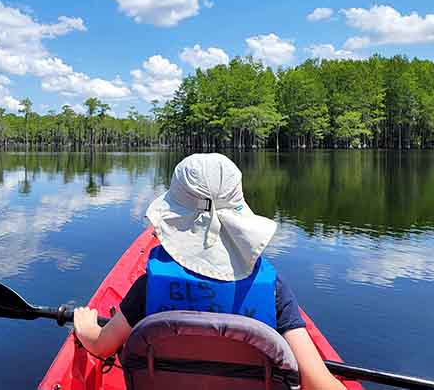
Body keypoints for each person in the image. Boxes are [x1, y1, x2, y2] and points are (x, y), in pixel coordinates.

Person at [73, 153, 345, 390]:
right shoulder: (274, 292)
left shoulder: (147, 289)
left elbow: (101, 346)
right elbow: (319, 385)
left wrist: (86, 328)